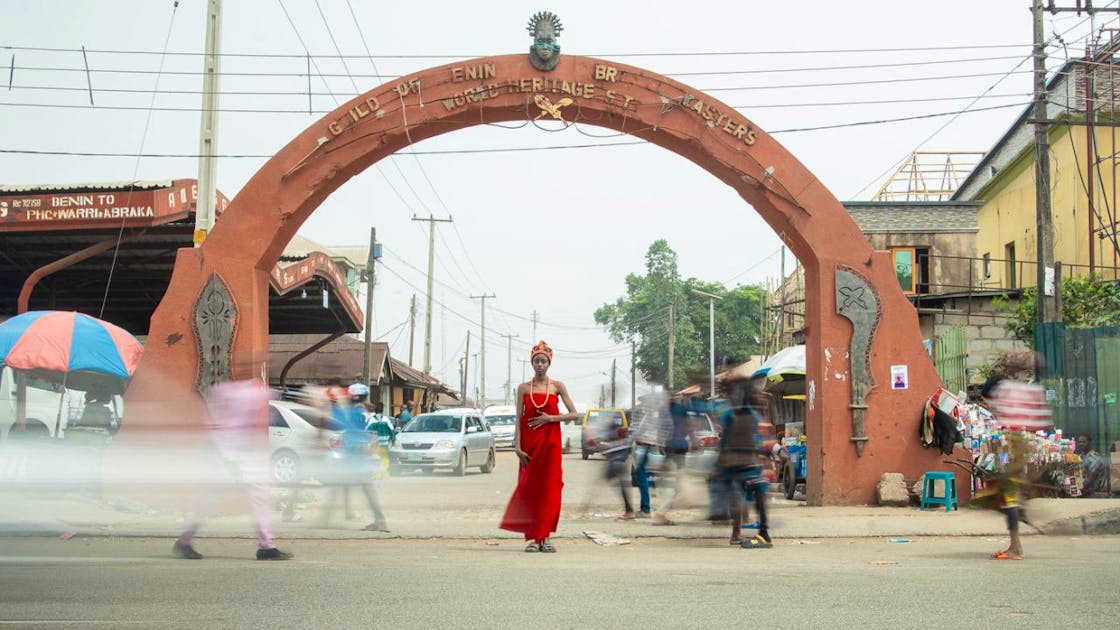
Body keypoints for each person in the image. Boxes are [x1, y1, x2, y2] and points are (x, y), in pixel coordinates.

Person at [173, 351, 292, 561]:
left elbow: (213, 420)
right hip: (233, 453)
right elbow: (255, 426)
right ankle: (266, 545)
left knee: (213, 497)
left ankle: (184, 541)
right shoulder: (257, 392)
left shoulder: (222, 391)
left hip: (223, 451)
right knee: (252, 496)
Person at [499, 340, 579, 552]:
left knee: (550, 489)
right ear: (532, 364)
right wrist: (517, 446)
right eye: (537, 361)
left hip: (551, 446)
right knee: (531, 490)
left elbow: (574, 414)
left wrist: (550, 419)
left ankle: (545, 536)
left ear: (549, 363)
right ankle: (533, 537)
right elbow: (518, 418)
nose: (540, 365)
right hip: (529, 446)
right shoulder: (524, 388)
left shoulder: (557, 386)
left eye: (543, 361)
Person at [979, 352, 1052, 561]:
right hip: (1023, 445)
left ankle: (1017, 547)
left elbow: (988, 398)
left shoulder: (1007, 389)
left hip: (1014, 447)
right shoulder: (1030, 389)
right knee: (1005, 496)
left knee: (1007, 497)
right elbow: (1042, 421)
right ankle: (1016, 537)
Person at [713, 374, 773, 548]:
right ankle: (762, 532)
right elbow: (758, 438)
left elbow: (724, 439)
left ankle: (737, 533)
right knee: (757, 494)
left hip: (734, 462)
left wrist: (719, 463)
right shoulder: (750, 414)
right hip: (748, 462)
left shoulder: (729, 413)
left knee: (738, 497)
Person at [321, 383, 389, 532]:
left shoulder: (353, 412)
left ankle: (324, 520)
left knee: (339, 485)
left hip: (353, 457)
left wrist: (332, 403)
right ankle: (379, 519)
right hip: (362, 457)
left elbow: (338, 422)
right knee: (364, 488)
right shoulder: (365, 412)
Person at [364, 401, 396, 480]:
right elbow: (392, 431)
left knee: (375, 460)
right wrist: (393, 440)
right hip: (384, 444)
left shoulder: (372, 420)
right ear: (382, 410)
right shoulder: (386, 419)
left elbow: (366, 432)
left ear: (375, 410)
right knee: (384, 459)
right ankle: (382, 474)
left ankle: (376, 475)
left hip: (375, 445)